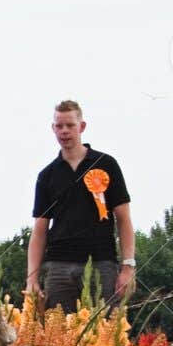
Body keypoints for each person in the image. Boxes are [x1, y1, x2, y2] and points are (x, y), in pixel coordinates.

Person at [26, 100, 135, 311]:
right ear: (53, 128)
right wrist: (32, 278)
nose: (64, 131)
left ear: (81, 127)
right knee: (58, 335)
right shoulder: (47, 175)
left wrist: (128, 266)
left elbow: (124, 219)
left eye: (70, 125)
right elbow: (39, 231)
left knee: (104, 332)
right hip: (58, 266)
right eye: (59, 126)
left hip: (101, 264)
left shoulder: (106, 164)